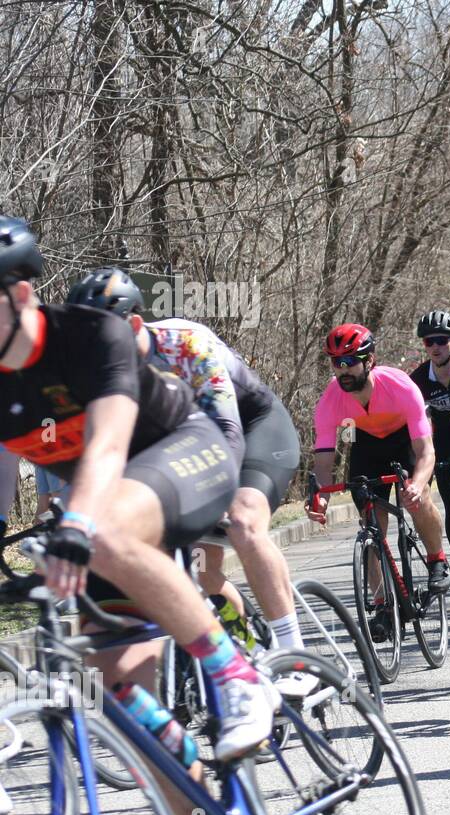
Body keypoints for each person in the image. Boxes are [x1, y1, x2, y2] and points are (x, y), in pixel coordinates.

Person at [0, 218, 278, 778]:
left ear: (20, 294)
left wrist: (76, 525)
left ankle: (237, 676)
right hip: (109, 504)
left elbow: (106, 446)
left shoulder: (88, 336)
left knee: (99, 529)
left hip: (185, 452)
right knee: (125, 707)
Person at [65, 268, 314, 691]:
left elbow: (228, 430)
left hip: (252, 429)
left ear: (136, 325)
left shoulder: (184, 343)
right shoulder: (100, 377)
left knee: (242, 521)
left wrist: (211, 496)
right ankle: (248, 650)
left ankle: (296, 658)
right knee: (198, 573)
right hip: (182, 449)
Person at [307, 323, 447, 631]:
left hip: (404, 441)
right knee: (371, 526)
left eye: (350, 362)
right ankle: (384, 604)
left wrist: (418, 484)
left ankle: (437, 560)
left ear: (369, 360)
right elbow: (324, 460)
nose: (342, 369)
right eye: (336, 363)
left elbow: (426, 453)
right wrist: (321, 496)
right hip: (367, 445)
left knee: (417, 497)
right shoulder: (331, 401)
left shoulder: (400, 387)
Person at [406, 309, 450, 590]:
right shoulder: (418, 381)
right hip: (442, 447)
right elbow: (418, 429)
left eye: (441, 340)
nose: (435, 347)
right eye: (429, 342)